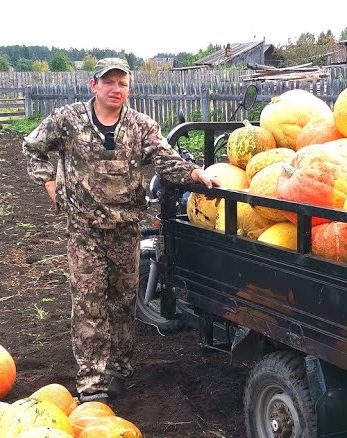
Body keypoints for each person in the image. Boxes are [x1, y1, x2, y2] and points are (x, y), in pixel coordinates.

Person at [23, 57, 217, 402]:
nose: (116, 89)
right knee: (88, 301)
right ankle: (92, 382)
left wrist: (195, 174)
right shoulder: (68, 121)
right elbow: (33, 147)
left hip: (126, 227)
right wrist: (50, 184)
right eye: (109, 82)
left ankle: (119, 368)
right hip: (84, 228)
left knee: (123, 299)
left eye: (122, 83)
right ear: (93, 85)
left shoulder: (140, 125)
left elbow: (165, 157)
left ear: (129, 87)